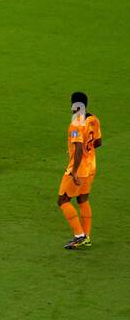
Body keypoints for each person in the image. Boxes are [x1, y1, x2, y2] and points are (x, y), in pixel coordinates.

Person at [57, 91, 101, 250]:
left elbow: (78, 148)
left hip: (79, 169)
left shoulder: (76, 124)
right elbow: (98, 142)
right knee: (83, 199)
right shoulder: (93, 119)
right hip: (91, 167)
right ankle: (86, 237)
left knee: (63, 200)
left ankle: (79, 235)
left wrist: (74, 170)